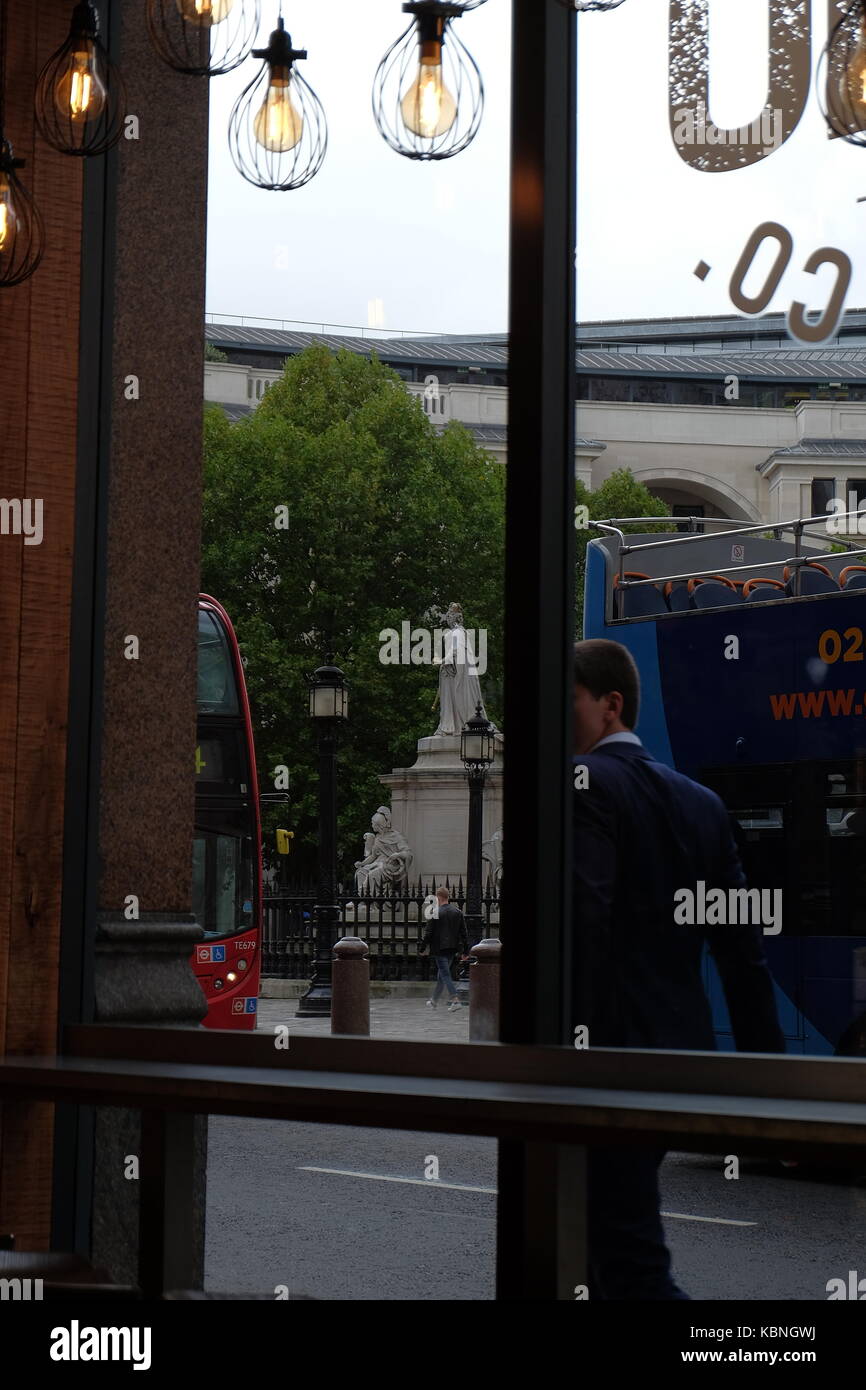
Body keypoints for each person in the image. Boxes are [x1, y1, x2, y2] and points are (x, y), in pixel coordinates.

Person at [572, 638, 784, 1301]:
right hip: (679, 1052)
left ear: (610, 706)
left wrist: (559, 1052)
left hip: (608, 1062)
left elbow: (586, 930)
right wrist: (767, 1082)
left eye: (566, 701)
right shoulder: (703, 804)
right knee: (609, 1253)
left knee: (631, 1264)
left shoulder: (586, 787)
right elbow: (742, 955)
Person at [419, 887, 469, 1012]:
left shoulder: (435, 912)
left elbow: (428, 933)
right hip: (452, 949)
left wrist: (422, 948)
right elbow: (464, 934)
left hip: (439, 949)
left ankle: (455, 1000)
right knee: (442, 974)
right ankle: (434, 1001)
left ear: (438, 897)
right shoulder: (457, 912)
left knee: (445, 974)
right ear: (447, 897)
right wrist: (465, 951)